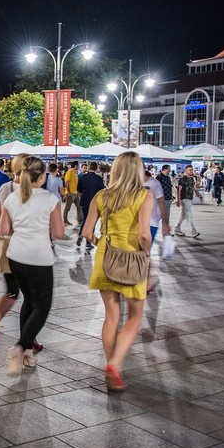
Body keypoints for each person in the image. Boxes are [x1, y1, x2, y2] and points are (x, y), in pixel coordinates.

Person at [82, 151, 154, 392]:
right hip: (132, 258)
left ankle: (110, 366)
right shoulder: (144, 196)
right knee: (134, 316)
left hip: (105, 258)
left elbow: (86, 232)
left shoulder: (101, 196)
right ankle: (114, 364)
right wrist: (147, 253)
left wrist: (100, 241)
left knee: (111, 316)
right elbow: (145, 234)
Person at [0, 156, 63, 376]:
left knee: (29, 300)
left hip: (15, 257)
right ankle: (20, 346)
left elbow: (3, 230)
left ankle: (27, 351)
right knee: (42, 306)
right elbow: (59, 233)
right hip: (40, 258)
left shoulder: (13, 198)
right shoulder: (49, 199)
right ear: (43, 176)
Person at [0, 153, 44, 356]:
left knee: (11, 292)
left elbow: (2, 225)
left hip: (8, 248)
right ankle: (28, 338)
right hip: (27, 249)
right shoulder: (33, 190)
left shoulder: (4, 188)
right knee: (34, 297)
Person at [76, 162, 106, 250]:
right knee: (92, 221)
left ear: (89, 168)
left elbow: (79, 190)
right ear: (96, 169)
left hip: (84, 201)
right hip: (95, 202)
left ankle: (81, 235)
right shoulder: (99, 179)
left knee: (86, 219)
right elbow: (102, 192)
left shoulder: (82, 177)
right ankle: (88, 243)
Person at [174, 165, 202, 238]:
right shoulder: (182, 179)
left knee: (183, 215)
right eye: (190, 170)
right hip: (184, 199)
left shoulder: (192, 179)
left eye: (192, 170)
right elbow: (178, 190)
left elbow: (195, 188)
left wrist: (199, 196)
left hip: (189, 199)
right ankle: (193, 231)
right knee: (189, 215)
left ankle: (176, 228)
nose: (191, 171)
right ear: (186, 170)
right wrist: (178, 200)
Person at [63, 160, 82, 226]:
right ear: (75, 166)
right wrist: (68, 192)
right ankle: (65, 220)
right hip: (70, 193)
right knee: (67, 208)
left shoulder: (75, 173)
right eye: (78, 165)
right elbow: (66, 182)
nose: (79, 166)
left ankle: (80, 220)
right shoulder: (69, 172)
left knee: (79, 207)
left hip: (75, 193)